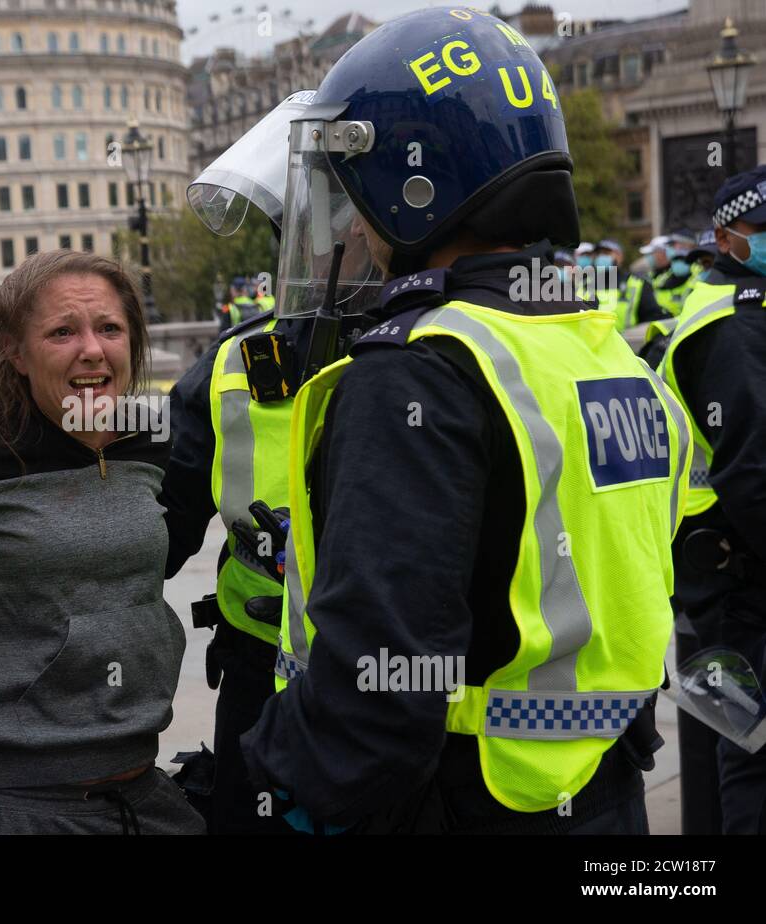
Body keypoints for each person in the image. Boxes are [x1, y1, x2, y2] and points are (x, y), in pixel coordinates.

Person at [240, 7, 691, 834]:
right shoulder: (602, 351)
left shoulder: (420, 370)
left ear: (417, 180)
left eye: (354, 192)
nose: (352, 222)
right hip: (598, 788)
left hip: (459, 798)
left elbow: (381, 682)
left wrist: (267, 783)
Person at [0, 249, 202, 835]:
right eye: (62, 332)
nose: (92, 350)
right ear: (15, 351)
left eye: (110, 328)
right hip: (3, 803)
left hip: (140, 788)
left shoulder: (152, 438)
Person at [164, 88, 357, 834]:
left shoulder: (444, 357)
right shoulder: (236, 361)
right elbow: (161, 527)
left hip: (399, 681)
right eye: (299, 223)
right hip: (257, 666)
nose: (321, 242)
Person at [658, 164, 766, 834]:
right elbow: (754, 473)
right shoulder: (732, 326)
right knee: (750, 755)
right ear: (727, 237)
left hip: (719, 585)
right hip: (733, 587)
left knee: (731, 748)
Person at [592, 239, 664, 331]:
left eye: (606, 253)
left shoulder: (636, 284)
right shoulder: (584, 285)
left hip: (627, 343)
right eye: (598, 254)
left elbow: (652, 317)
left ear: (620, 256)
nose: (601, 257)